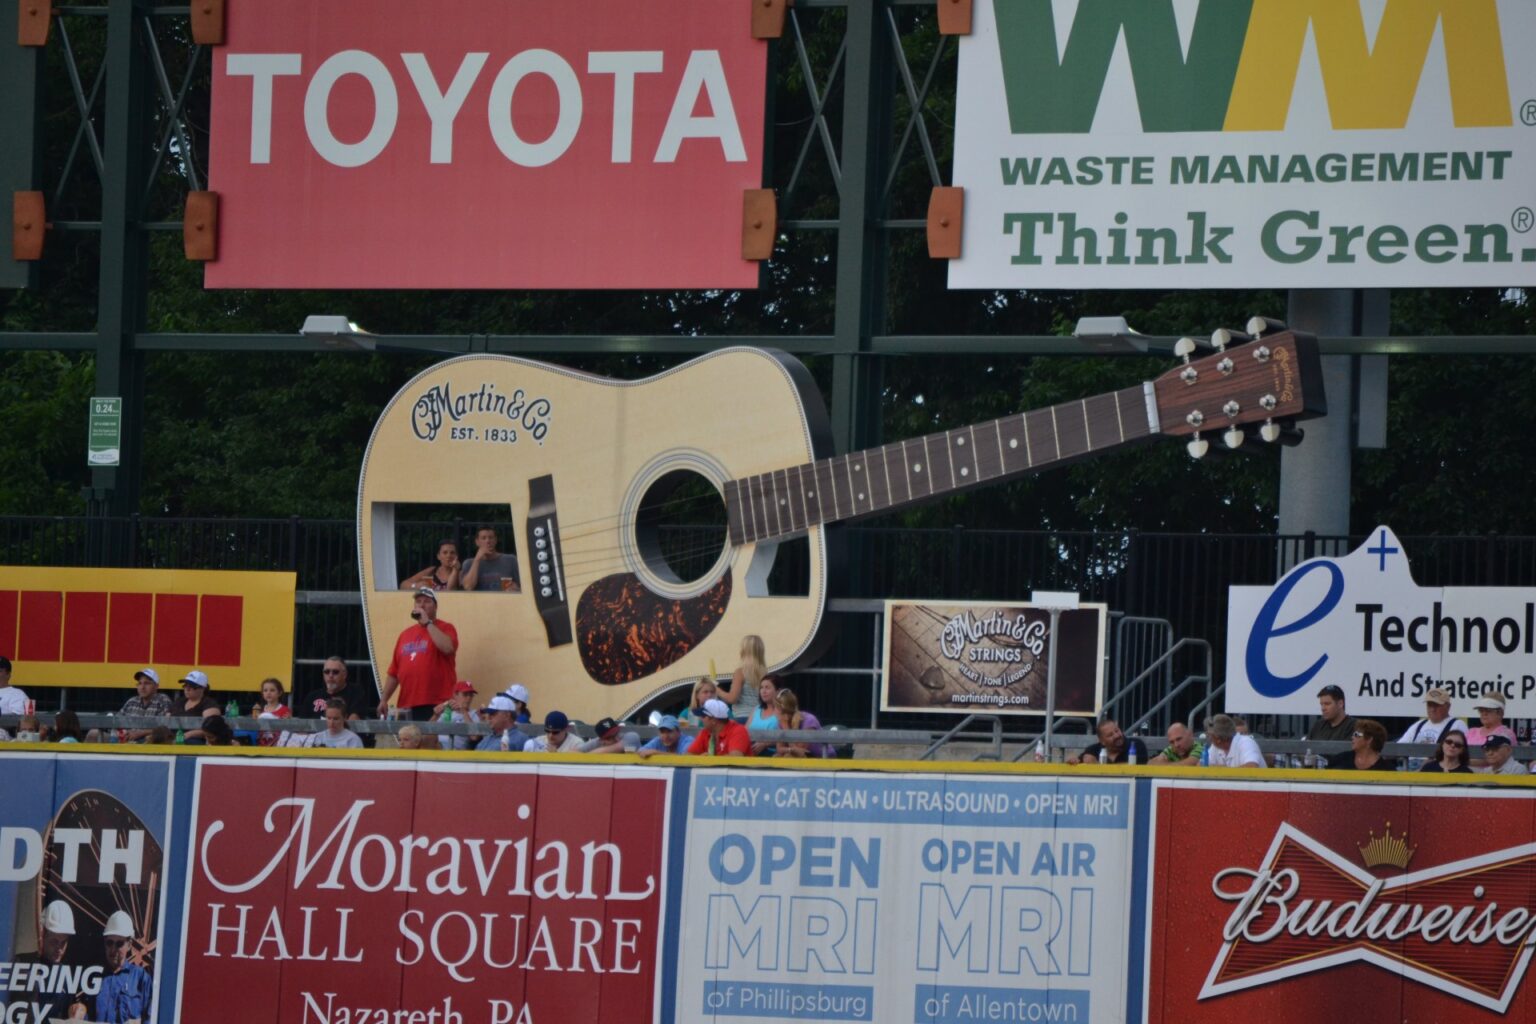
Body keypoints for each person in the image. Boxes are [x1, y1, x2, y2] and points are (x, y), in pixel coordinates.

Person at [378, 587, 458, 721]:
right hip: (407, 704)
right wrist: (384, 699)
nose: (421, 605)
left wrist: (428, 623)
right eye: (418, 601)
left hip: (437, 702)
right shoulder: (405, 634)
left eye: (427, 601)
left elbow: (448, 648)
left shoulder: (445, 627)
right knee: (409, 741)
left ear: (435, 607)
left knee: (432, 741)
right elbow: (394, 673)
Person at [92, 910, 153, 1024]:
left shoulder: (141, 978)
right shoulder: (95, 976)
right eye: (110, 943)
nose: (113, 949)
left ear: (129, 945)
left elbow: (150, 1019)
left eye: (119, 944)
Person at [300, 656, 368, 721]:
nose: (330, 675)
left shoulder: (355, 693)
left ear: (344, 675)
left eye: (335, 672)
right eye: (327, 672)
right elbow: (302, 727)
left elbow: (353, 721)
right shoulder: (312, 697)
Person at [772, 688, 832, 758]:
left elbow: (799, 752)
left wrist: (786, 729)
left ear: (781, 709)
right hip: (806, 757)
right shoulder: (781, 722)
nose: (773, 712)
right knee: (776, 757)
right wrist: (790, 749)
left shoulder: (809, 720)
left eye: (774, 707)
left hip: (823, 757)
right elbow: (779, 749)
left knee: (789, 757)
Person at [459, 526, 520, 592]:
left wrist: (516, 589)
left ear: (495, 540)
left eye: (491, 538)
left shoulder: (510, 560)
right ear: (477, 542)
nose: (488, 541)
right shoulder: (469, 563)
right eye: (483, 538)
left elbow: (523, 585)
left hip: (504, 601)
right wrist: (477, 560)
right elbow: (468, 587)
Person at [118, 667, 171, 740]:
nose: (142, 687)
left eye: (147, 683)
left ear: (156, 686)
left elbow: (165, 728)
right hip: (128, 741)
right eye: (140, 683)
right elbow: (117, 721)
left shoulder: (162, 700)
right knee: (96, 733)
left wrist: (140, 733)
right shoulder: (132, 701)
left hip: (151, 743)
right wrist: (123, 731)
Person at [718, 635, 766, 713]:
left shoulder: (740, 672)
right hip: (759, 717)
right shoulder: (765, 674)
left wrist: (717, 690)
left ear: (744, 651)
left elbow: (732, 699)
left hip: (742, 716)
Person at [687, 698, 752, 757]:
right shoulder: (705, 732)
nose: (700, 718)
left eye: (703, 716)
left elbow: (736, 757)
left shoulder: (738, 731)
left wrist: (709, 760)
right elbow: (688, 755)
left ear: (714, 720)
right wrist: (699, 758)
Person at [1075, 717, 1148, 765]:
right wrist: (1072, 760)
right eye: (1110, 735)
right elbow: (1077, 761)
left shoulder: (1136, 745)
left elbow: (1138, 767)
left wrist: (1097, 765)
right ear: (1102, 741)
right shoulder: (1093, 750)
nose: (1117, 736)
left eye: (1117, 731)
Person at [433, 680, 482, 751]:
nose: (469, 698)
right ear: (455, 695)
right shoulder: (446, 710)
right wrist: (435, 715)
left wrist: (464, 711)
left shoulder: (474, 714)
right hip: (437, 749)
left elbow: (474, 737)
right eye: (465, 694)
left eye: (471, 695)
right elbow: (429, 731)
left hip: (457, 754)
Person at [171, 670, 220, 741]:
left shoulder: (209, 704)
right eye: (185, 685)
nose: (187, 689)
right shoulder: (179, 701)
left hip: (195, 740)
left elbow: (210, 729)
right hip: (173, 737)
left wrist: (187, 735)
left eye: (192, 686)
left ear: (203, 688)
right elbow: (167, 720)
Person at [1326, 719, 1393, 771]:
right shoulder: (1340, 759)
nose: (1352, 737)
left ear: (1369, 739)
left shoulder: (1387, 769)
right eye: (1353, 734)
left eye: (1356, 735)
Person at [250, 677, 292, 746]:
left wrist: (288, 720)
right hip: (260, 745)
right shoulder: (259, 710)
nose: (268, 693)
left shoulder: (285, 710)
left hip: (278, 746)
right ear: (262, 693)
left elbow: (288, 730)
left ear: (279, 693)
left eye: (272, 690)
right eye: (265, 690)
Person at [747, 675, 781, 755]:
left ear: (778, 691)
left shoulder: (782, 711)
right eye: (761, 688)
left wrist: (765, 744)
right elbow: (744, 732)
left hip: (772, 755)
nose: (763, 691)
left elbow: (787, 737)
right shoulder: (756, 709)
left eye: (767, 687)